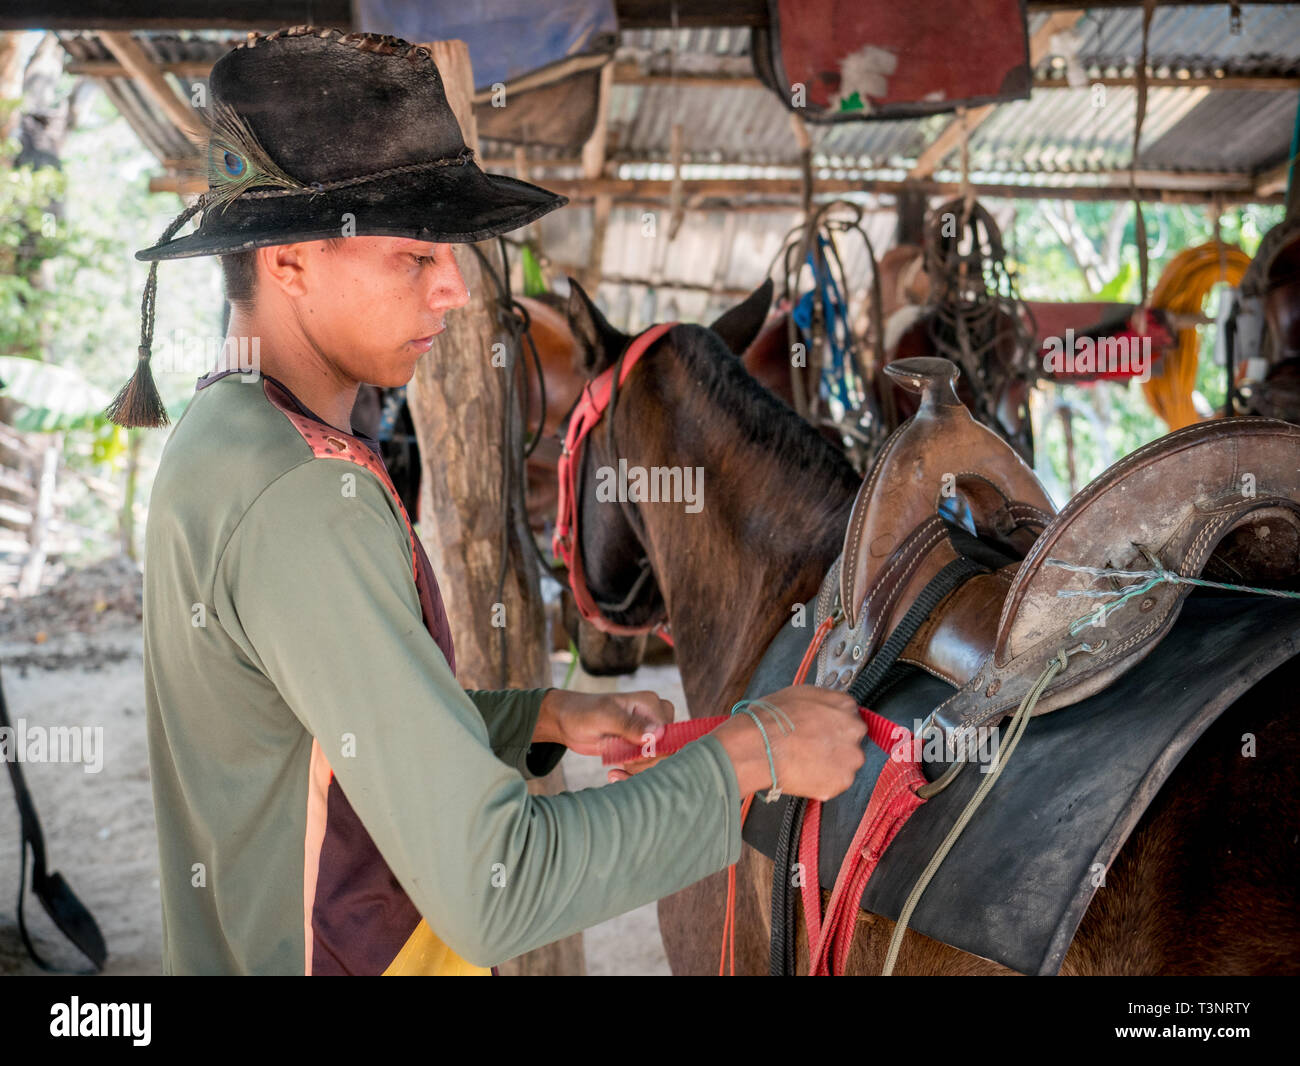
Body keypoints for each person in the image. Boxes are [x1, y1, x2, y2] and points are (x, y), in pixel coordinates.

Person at [116, 26, 865, 976]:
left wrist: (536, 718)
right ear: (290, 260)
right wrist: (756, 754)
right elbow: (496, 887)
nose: (456, 290)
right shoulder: (305, 495)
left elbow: (324, 735)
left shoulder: (225, 437)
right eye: (414, 256)